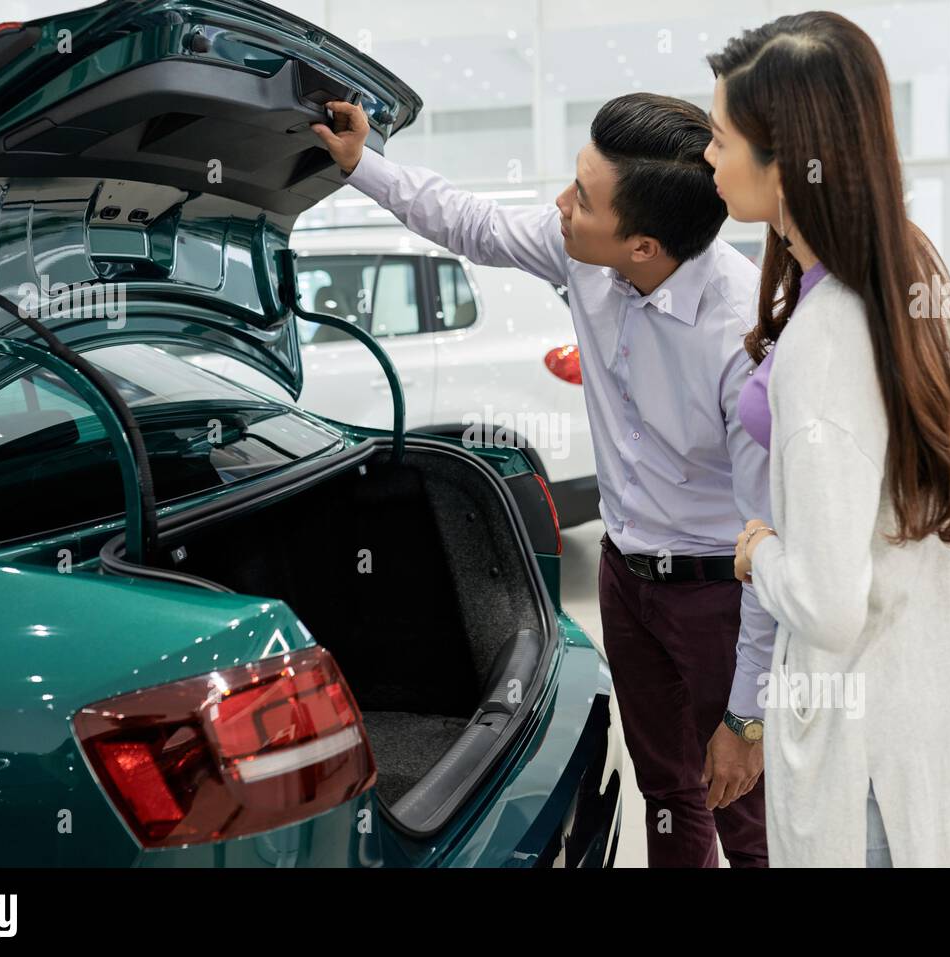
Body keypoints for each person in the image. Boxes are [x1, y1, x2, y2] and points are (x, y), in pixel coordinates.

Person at [311, 93, 775, 866]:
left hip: (718, 597)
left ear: (644, 245)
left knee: (749, 811)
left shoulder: (744, 340)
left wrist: (748, 718)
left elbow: (773, 538)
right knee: (665, 792)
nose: (560, 205)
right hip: (627, 579)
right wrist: (365, 164)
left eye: (583, 198)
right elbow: (471, 221)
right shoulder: (579, 248)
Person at [708, 12, 950, 866]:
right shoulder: (904, 273)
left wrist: (759, 550)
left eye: (722, 139)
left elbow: (831, 606)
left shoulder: (828, 336)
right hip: (918, 700)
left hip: (866, 739)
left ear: (787, 157)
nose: (709, 158)